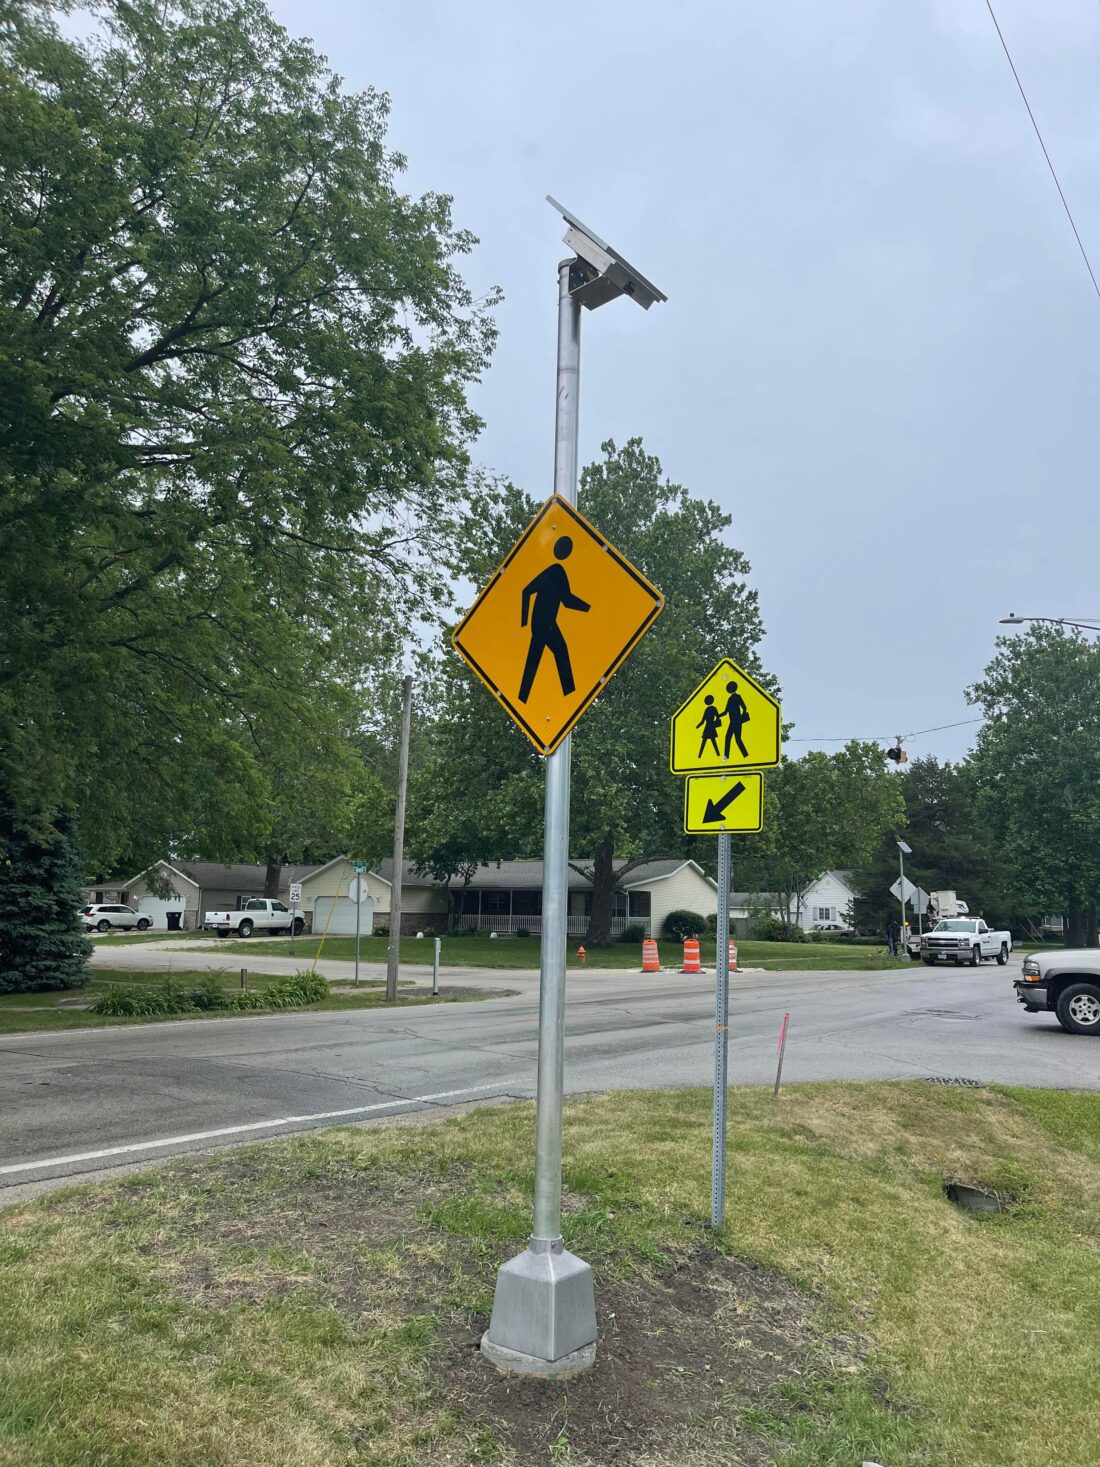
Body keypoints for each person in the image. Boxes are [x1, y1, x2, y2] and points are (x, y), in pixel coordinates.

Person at [518, 536, 590, 703]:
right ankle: (570, 696)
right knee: (561, 651)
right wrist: (523, 621)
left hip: (542, 624)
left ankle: (522, 697)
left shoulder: (557, 572)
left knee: (534, 660)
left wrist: (589, 608)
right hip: (545, 624)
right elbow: (526, 591)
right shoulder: (555, 571)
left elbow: (566, 601)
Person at [721, 680, 750, 760]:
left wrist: (741, 716)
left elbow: (744, 707)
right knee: (730, 738)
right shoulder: (730, 698)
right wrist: (719, 716)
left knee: (736, 739)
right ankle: (727, 755)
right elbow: (726, 711)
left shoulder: (736, 697)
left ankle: (745, 755)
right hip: (733, 722)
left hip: (736, 721)